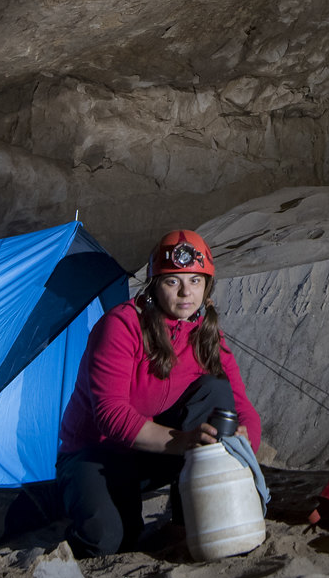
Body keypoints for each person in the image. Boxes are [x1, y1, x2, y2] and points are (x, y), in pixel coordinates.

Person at [55, 229, 263, 558]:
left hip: (151, 454)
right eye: (172, 281)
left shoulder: (206, 335)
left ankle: (189, 521)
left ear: (207, 285)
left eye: (195, 281)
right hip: (97, 455)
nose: (185, 293)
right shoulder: (121, 326)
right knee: (107, 540)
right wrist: (184, 441)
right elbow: (110, 415)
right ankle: (74, 504)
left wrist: (241, 449)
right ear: (154, 285)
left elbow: (243, 409)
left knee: (214, 390)